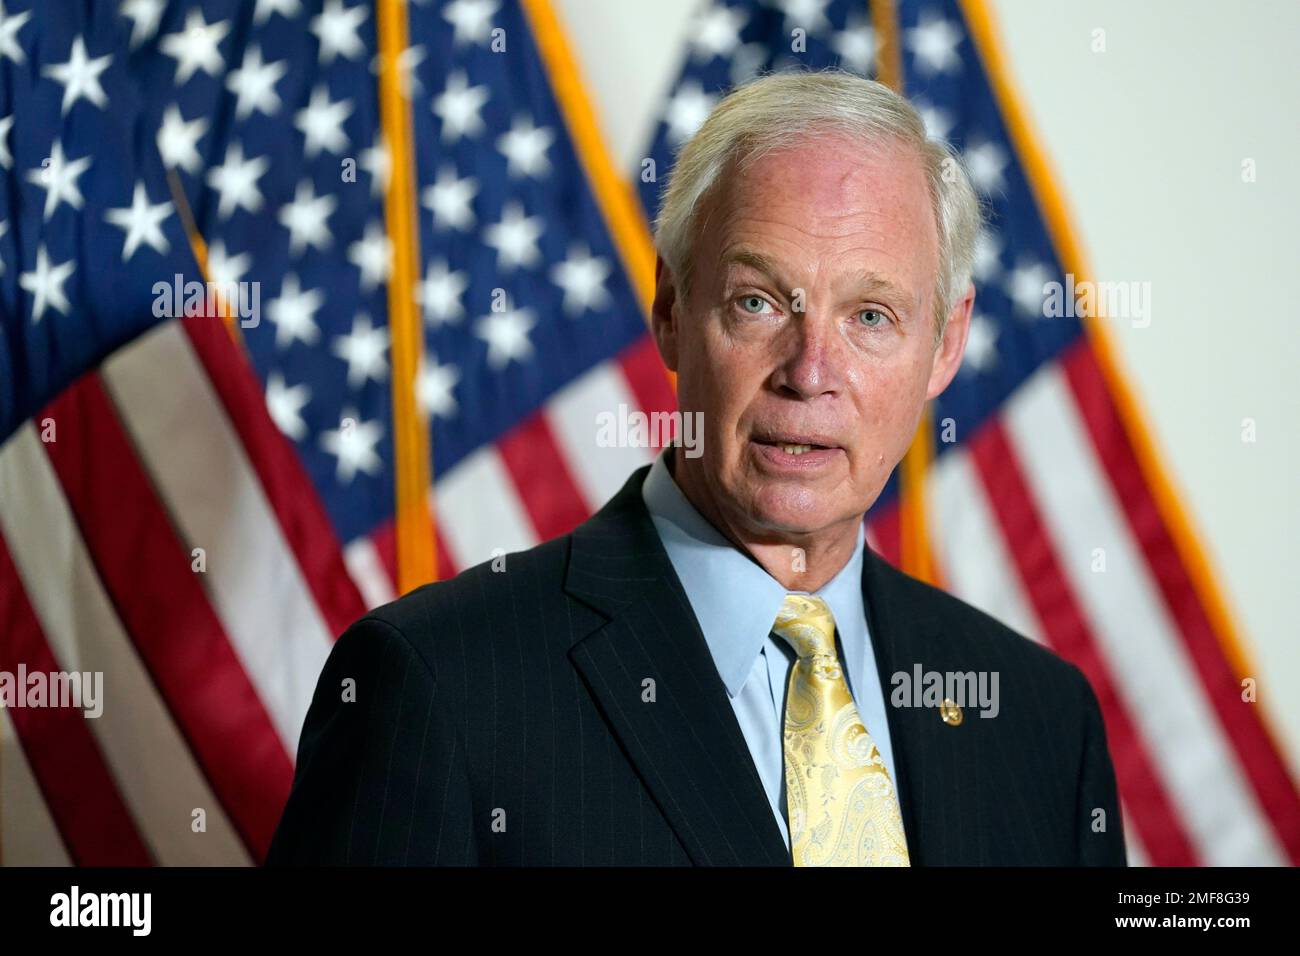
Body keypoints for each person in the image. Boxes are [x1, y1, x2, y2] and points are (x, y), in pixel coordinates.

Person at [266, 68, 1126, 867]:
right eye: (758, 302)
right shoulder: (438, 689)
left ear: (945, 344)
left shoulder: (1043, 723)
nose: (810, 371)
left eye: (870, 315)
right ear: (672, 309)